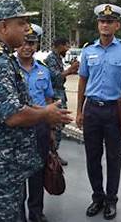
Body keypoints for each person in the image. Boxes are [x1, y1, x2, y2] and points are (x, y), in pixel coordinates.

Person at [0, 0, 72, 221]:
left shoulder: (2, 57)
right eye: (21, 23)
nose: (27, 29)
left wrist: (44, 111)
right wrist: (46, 113)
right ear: (4, 26)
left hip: (5, 164)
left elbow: (15, 102)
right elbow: (13, 115)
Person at [77, 3, 121, 220]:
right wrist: (79, 111)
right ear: (98, 24)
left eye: (109, 22)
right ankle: (97, 197)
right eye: (102, 21)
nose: (105, 25)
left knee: (114, 157)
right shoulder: (88, 51)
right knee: (92, 156)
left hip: (113, 110)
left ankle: (111, 199)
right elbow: (82, 81)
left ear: (117, 25)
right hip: (92, 109)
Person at [17, 24, 55, 222]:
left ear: (37, 45)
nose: (27, 47)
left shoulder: (44, 71)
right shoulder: (9, 69)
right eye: (24, 42)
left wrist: (50, 131)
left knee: (38, 171)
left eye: (31, 43)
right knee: (18, 173)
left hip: (39, 127)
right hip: (18, 128)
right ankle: (18, 214)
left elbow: (49, 101)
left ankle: (36, 212)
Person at [44, 37, 79, 166]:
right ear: (59, 46)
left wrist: (71, 70)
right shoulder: (51, 59)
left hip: (60, 93)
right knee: (56, 125)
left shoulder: (58, 58)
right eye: (66, 46)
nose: (68, 49)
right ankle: (52, 155)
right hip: (54, 95)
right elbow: (55, 78)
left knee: (60, 125)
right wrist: (70, 70)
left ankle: (54, 153)